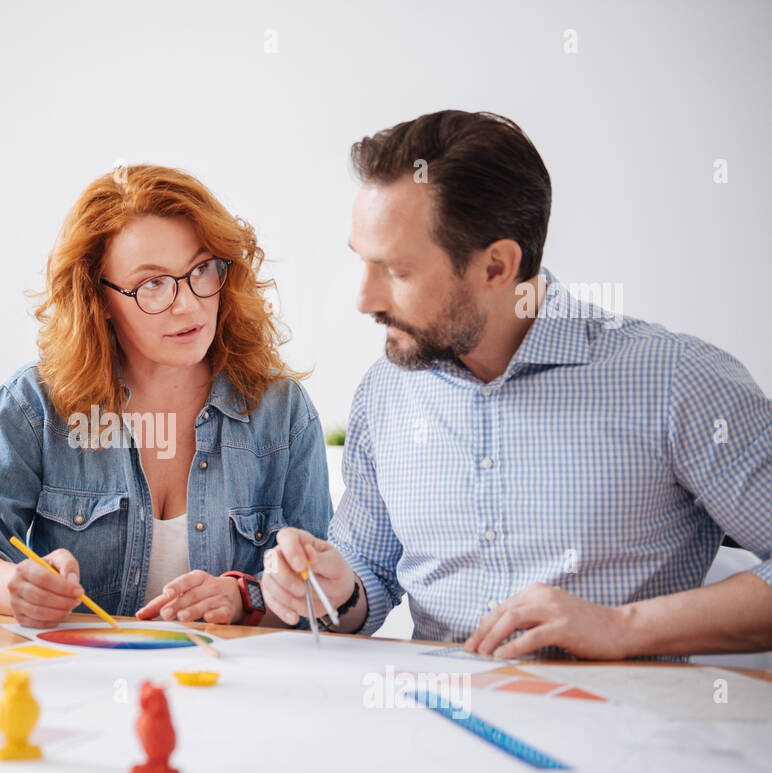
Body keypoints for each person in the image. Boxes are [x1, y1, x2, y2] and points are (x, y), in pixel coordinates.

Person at [261, 110, 772, 660]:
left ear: (498, 267)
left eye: (399, 272)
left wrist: (622, 627)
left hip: (615, 735)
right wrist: (337, 591)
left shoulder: (676, 381)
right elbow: (369, 571)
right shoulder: (386, 390)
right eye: (363, 263)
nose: (365, 300)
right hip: (430, 728)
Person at [0, 165, 331, 628]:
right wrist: (14, 586)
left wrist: (245, 600)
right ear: (100, 301)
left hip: (224, 690)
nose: (188, 303)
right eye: (152, 283)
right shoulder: (35, 405)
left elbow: (323, 596)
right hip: (78, 684)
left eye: (200, 269)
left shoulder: (283, 412)